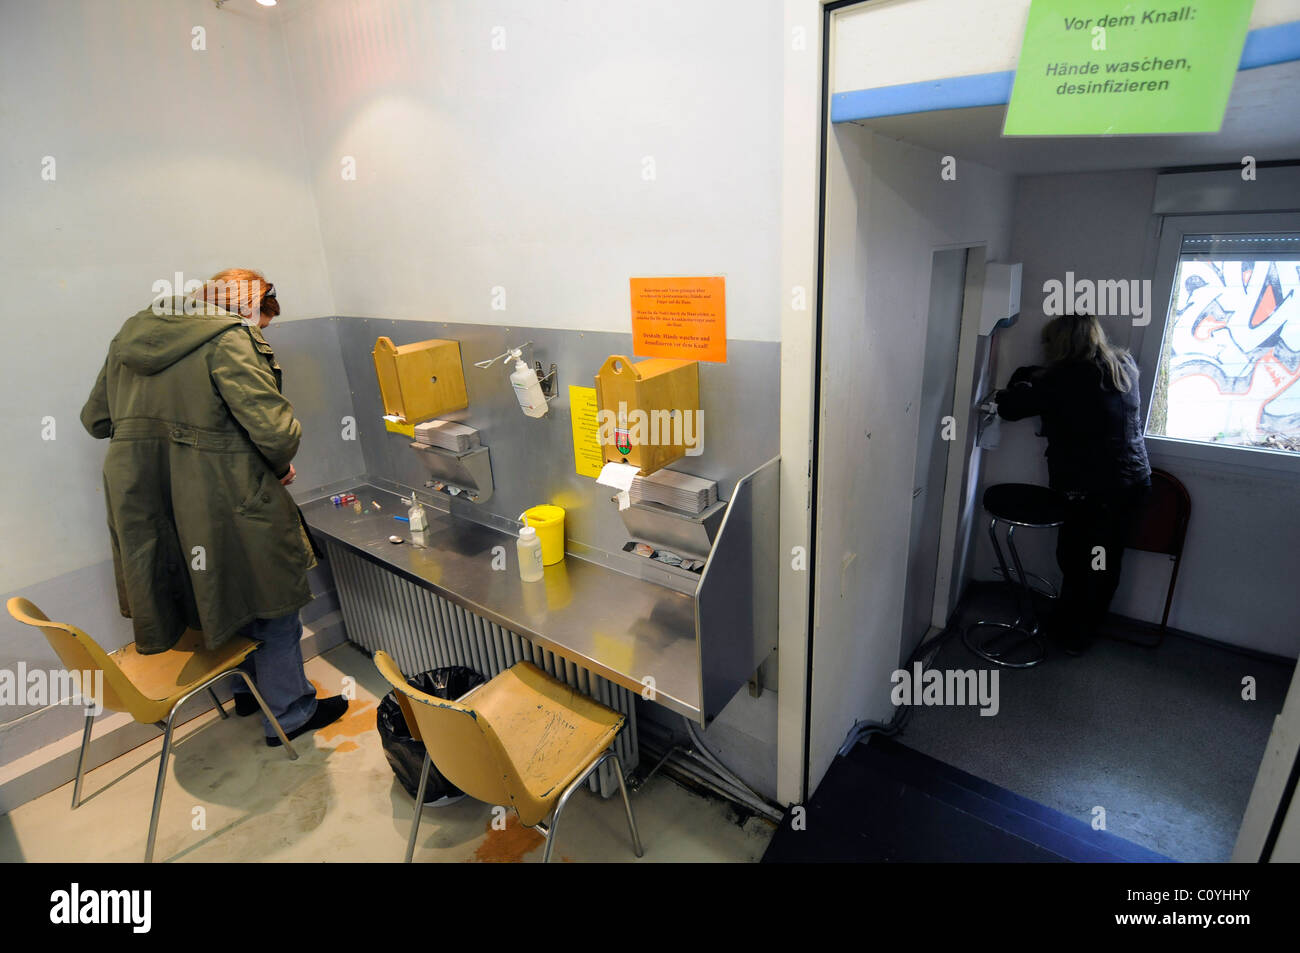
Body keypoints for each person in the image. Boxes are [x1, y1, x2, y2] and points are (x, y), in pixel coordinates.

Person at [80, 268, 347, 745]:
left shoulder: (130, 336)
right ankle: (289, 713)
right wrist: (273, 463)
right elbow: (275, 431)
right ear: (250, 307)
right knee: (273, 599)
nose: (258, 333)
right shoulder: (229, 339)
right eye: (261, 323)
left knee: (219, 594)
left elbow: (97, 420)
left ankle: (251, 693)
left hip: (150, 504)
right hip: (221, 497)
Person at [995, 312, 1152, 655]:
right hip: (1130, 484)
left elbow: (1009, 407)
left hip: (1097, 492)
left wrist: (1022, 380)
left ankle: (1072, 637)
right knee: (1099, 564)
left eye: (1048, 344)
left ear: (1061, 345)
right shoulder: (1121, 364)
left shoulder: (1068, 379)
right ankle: (1075, 631)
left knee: (1082, 562)